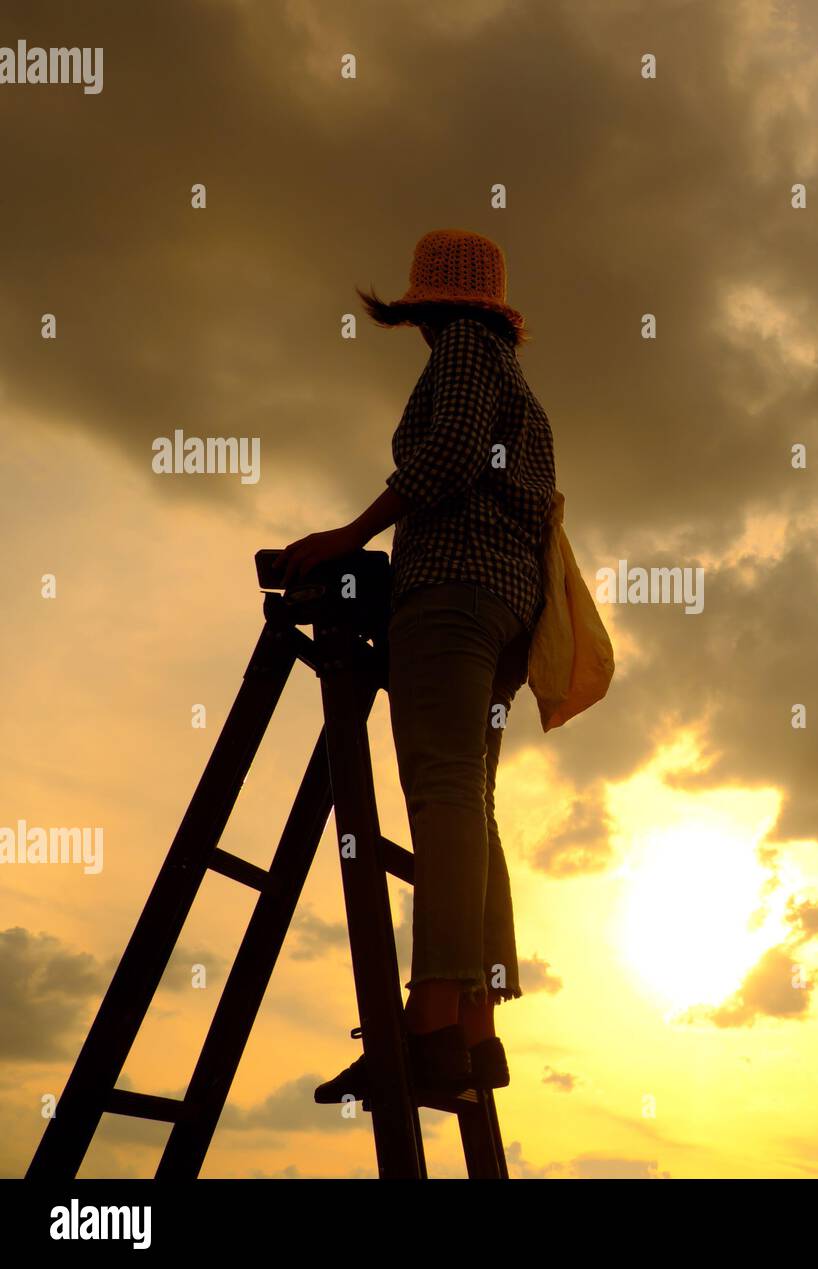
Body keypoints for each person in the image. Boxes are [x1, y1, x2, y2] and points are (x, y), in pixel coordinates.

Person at [276, 229, 556, 1102]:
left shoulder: (468, 352)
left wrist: (347, 535)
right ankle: (480, 1032)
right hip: (509, 608)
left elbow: (447, 455)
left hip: (453, 595)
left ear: (431, 304)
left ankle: (432, 1021)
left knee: (442, 795)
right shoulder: (520, 381)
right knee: (472, 803)